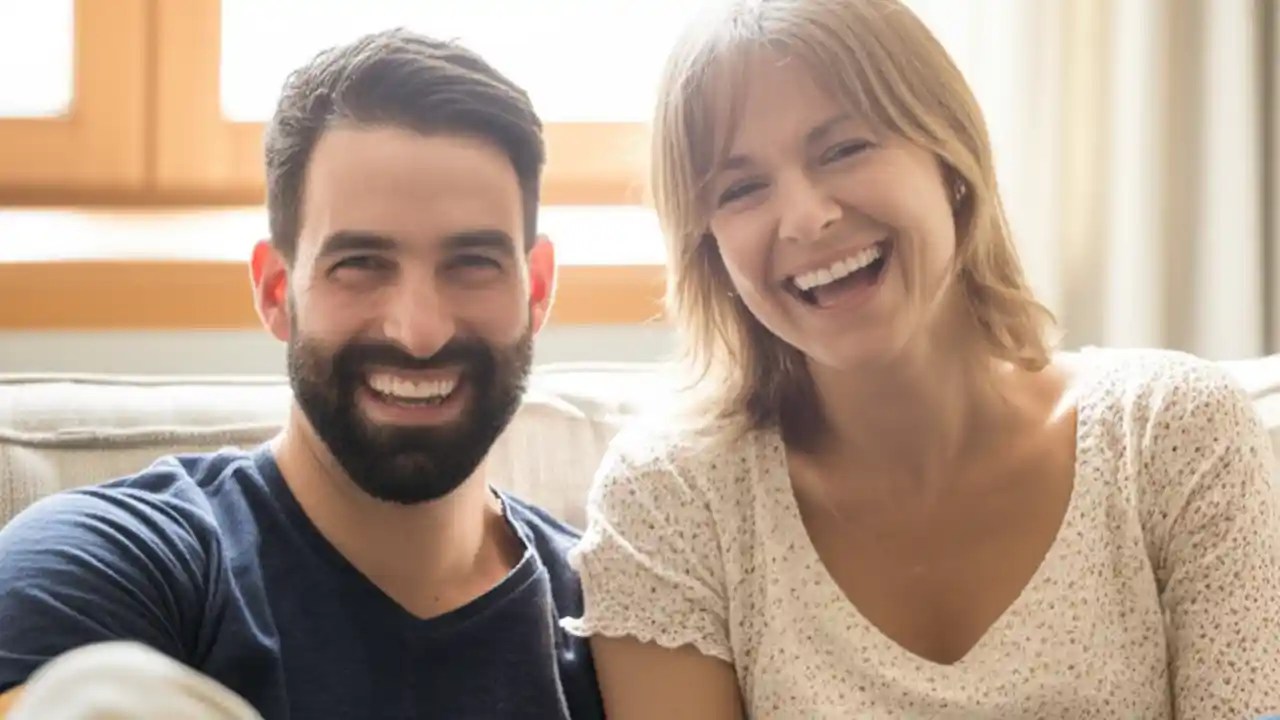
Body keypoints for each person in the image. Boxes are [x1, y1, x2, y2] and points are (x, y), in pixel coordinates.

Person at [561, 1, 1280, 717]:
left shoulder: (1174, 433)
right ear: (708, 246)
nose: (806, 218)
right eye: (742, 188)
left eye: (844, 148)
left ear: (950, 156)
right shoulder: (669, 498)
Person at [0, 28, 603, 720]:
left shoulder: (621, 621)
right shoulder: (111, 565)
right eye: (360, 264)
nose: (419, 331)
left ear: (536, 289)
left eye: (472, 264)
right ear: (276, 291)